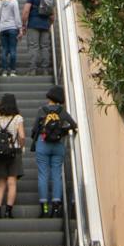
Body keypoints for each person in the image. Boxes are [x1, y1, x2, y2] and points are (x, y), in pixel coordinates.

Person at [34, 83, 78, 217]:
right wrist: (63, 131)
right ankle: (56, 207)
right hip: (58, 145)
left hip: (43, 143)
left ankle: (44, 207)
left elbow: (36, 128)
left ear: (50, 96)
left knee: (43, 175)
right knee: (56, 175)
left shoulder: (42, 110)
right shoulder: (62, 112)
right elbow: (73, 125)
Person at [0, 92, 26, 217]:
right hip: (13, 152)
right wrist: (21, 146)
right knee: (12, 183)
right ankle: (8, 211)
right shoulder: (17, 118)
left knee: (1, 184)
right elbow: (22, 136)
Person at [21, 0, 55, 70]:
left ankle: (32, 69)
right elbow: (52, 14)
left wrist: (23, 24)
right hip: (45, 25)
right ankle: (45, 69)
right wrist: (50, 24)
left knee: (33, 46)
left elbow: (26, 11)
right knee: (45, 47)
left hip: (33, 25)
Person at [0, 0, 21, 74]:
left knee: (4, 50)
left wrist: (0, 27)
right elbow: (17, 17)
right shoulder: (14, 2)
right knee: (12, 49)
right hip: (13, 28)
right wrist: (20, 28)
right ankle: (12, 71)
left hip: (3, 29)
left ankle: (4, 71)